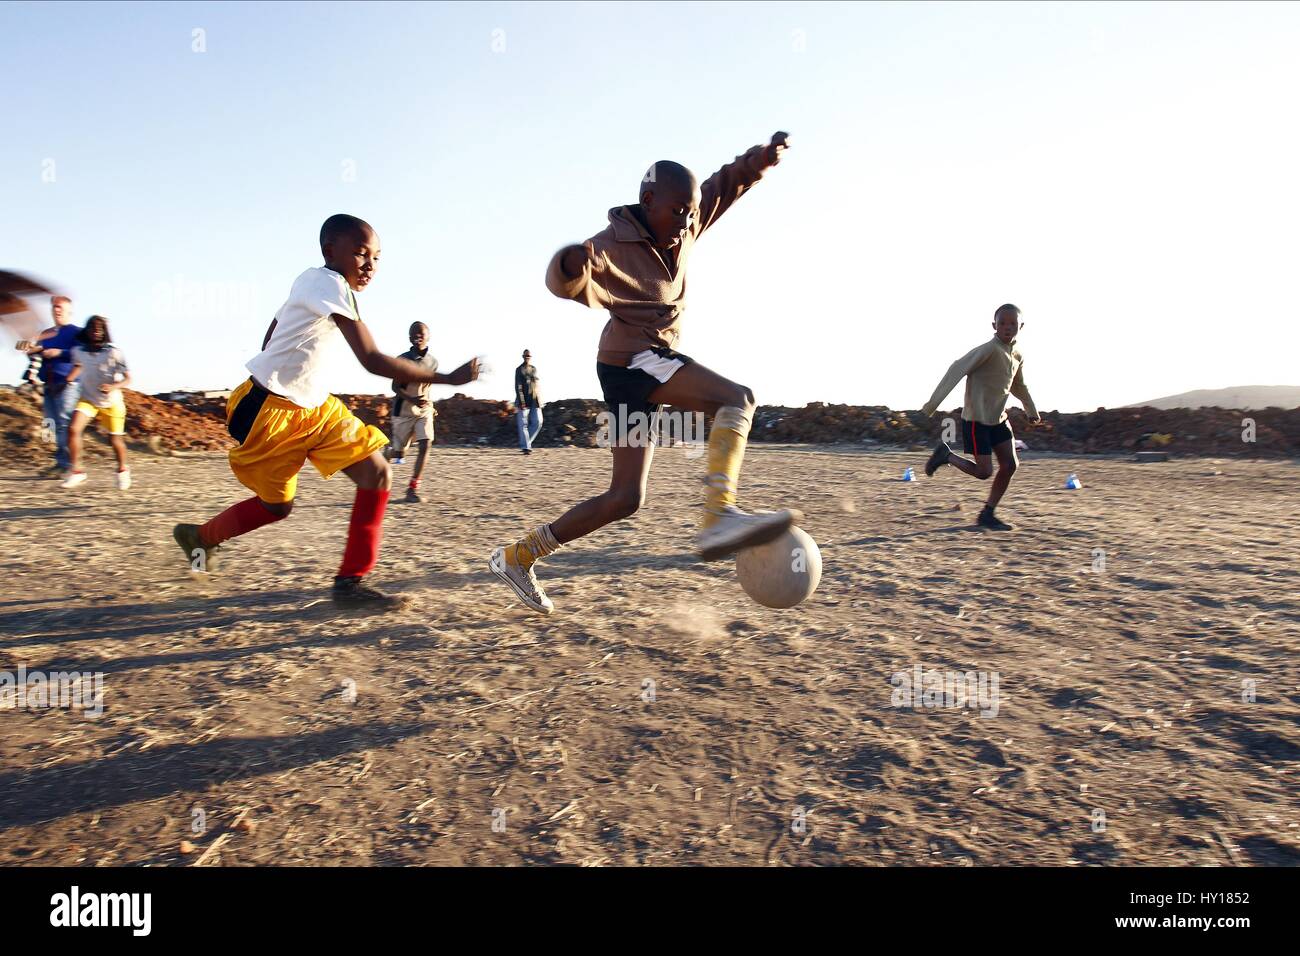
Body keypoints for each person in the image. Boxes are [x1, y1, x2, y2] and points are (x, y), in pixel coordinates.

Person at [489, 132, 801, 615]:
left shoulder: (688, 224)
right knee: (736, 399)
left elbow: (727, 183)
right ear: (648, 200)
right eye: (676, 211)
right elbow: (567, 281)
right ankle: (719, 515)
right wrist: (568, 265)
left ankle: (518, 556)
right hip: (633, 358)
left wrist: (762, 159)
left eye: (691, 212)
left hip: (637, 366)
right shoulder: (610, 245)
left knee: (625, 498)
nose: (685, 221)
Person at [172, 214, 481, 608]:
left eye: (377, 257)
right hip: (271, 412)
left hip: (316, 408)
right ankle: (199, 538)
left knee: (377, 472)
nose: (369, 264)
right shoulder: (328, 283)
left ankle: (350, 584)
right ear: (329, 251)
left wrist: (285, 358)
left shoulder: (311, 282)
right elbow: (370, 358)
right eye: (360, 253)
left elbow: (273, 327)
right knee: (276, 507)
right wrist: (448, 379)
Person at [920, 304, 1041, 530]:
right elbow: (957, 368)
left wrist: (1031, 409)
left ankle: (987, 514)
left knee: (1010, 465)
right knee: (984, 472)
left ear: (1021, 326)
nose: (1007, 327)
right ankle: (946, 455)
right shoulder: (988, 350)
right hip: (977, 421)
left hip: (999, 419)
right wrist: (932, 405)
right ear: (994, 325)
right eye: (1002, 323)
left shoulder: (1017, 355)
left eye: (1013, 323)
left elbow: (1018, 385)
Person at [61, 316, 132, 490]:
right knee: (73, 429)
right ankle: (77, 472)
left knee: (115, 440)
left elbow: (128, 379)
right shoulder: (79, 351)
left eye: (99, 330)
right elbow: (79, 365)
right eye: (92, 329)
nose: (95, 333)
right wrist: (67, 380)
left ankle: (123, 470)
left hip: (112, 401)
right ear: (87, 331)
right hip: (88, 398)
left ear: (104, 333)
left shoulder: (113, 352)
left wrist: (113, 386)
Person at [19, 296, 82, 476]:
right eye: (54, 307)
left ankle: (71, 465)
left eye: (61, 307)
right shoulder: (44, 334)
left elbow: (83, 354)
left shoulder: (77, 332)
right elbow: (34, 355)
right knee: (51, 425)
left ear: (70, 311)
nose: (57, 310)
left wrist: (59, 352)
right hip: (49, 383)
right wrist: (29, 351)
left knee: (65, 424)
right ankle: (60, 463)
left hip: (68, 384)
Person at [385, 321, 438, 503]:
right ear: (409, 338)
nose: (418, 337)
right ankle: (389, 453)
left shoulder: (433, 362)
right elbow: (394, 387)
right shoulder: (402, 360)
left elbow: (428, 385)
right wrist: (412, 399)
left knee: (426, 444)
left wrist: (428, 404)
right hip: (404, 411)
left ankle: (412, 488)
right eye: (414, 334)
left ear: (428, 336)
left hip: (424, 410)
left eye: (421, 334)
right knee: (400, 454)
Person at [514, 349, 542, 454]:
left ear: (531, 357)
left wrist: (539, 400)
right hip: (523, 401)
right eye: (525, 356)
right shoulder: (519, 369)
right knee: (523, 424)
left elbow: (536, 385)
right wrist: (521, 402)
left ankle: (526, 443)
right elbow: (518, 386)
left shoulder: (534, 369)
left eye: (529, 356)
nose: (527, 358)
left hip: (534, 400)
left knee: (538, 422)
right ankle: (526, 447)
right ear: (523, 357)